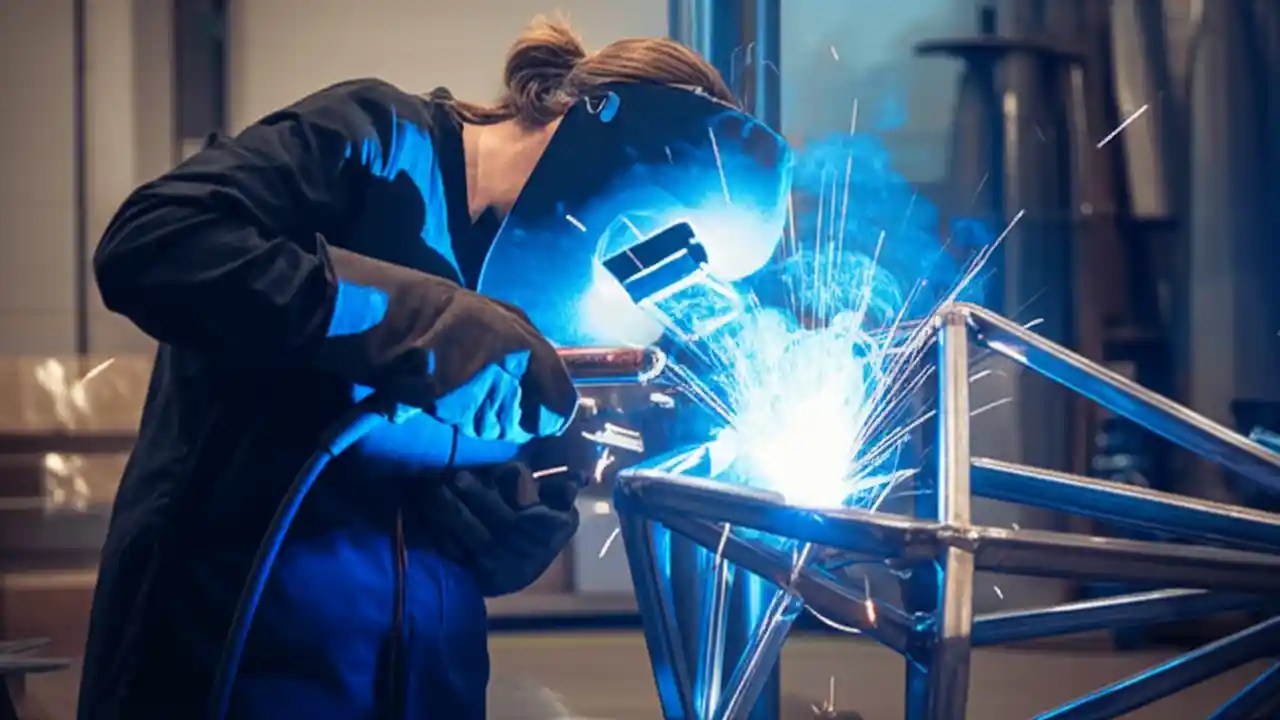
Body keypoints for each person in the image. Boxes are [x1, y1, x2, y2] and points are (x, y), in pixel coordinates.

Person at [79, 17, 782, 720]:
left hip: (422, 686)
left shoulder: (566, 301)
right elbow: (152, 240)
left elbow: (527, 483)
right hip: (227, 659)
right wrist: (407, 321)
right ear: (587, 125)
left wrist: (516, 528)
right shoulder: (374, 144)